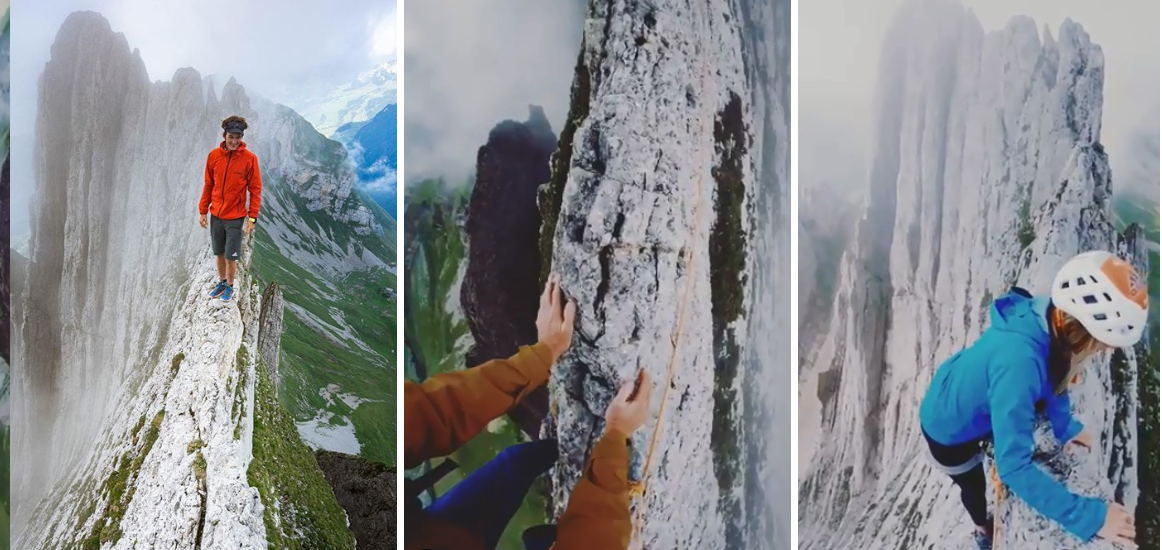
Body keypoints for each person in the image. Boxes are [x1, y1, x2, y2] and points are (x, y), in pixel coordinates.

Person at [404, 274, 653, 550]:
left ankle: (544, 525)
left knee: (517, 460)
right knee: (518, 469)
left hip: (430, 531)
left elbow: (426, 414)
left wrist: (543, 353)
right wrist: (615, 439)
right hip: (434, 535)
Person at [919, 250, 1147, 550]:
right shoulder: (1020, 363)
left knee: (1018, 410)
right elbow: (1013, 466)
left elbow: (1056, 368)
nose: (1103, 351)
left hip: (969, 390)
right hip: (944, 428)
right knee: (972, 484)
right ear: (1082, 334)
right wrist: (1090, 517)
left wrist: (1065, 427)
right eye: (1102, 344)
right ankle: (981, 528)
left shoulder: (1047, 318)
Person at [199, 115, 262, 302]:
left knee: (230, 256)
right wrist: (203, 211)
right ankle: (222, 281)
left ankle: (230, 286)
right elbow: (208, 184)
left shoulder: (250, 159)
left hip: (235, 217)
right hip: (216, 214)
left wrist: (252, 218)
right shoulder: (214, 156)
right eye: (231, 136)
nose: (234, 141)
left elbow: (255, 189)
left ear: (242, 137)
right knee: (218, 253)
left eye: (238, 137)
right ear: (224, 135)